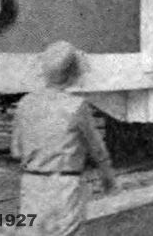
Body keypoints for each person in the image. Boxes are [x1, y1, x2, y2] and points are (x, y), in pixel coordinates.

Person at [9, 41, 116, 236]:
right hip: (66, 187)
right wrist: (107, 177)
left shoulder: (25, 103)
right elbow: (98, 150)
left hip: (32, 185)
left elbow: (16, 151)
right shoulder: (77, 106)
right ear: (73, 74)